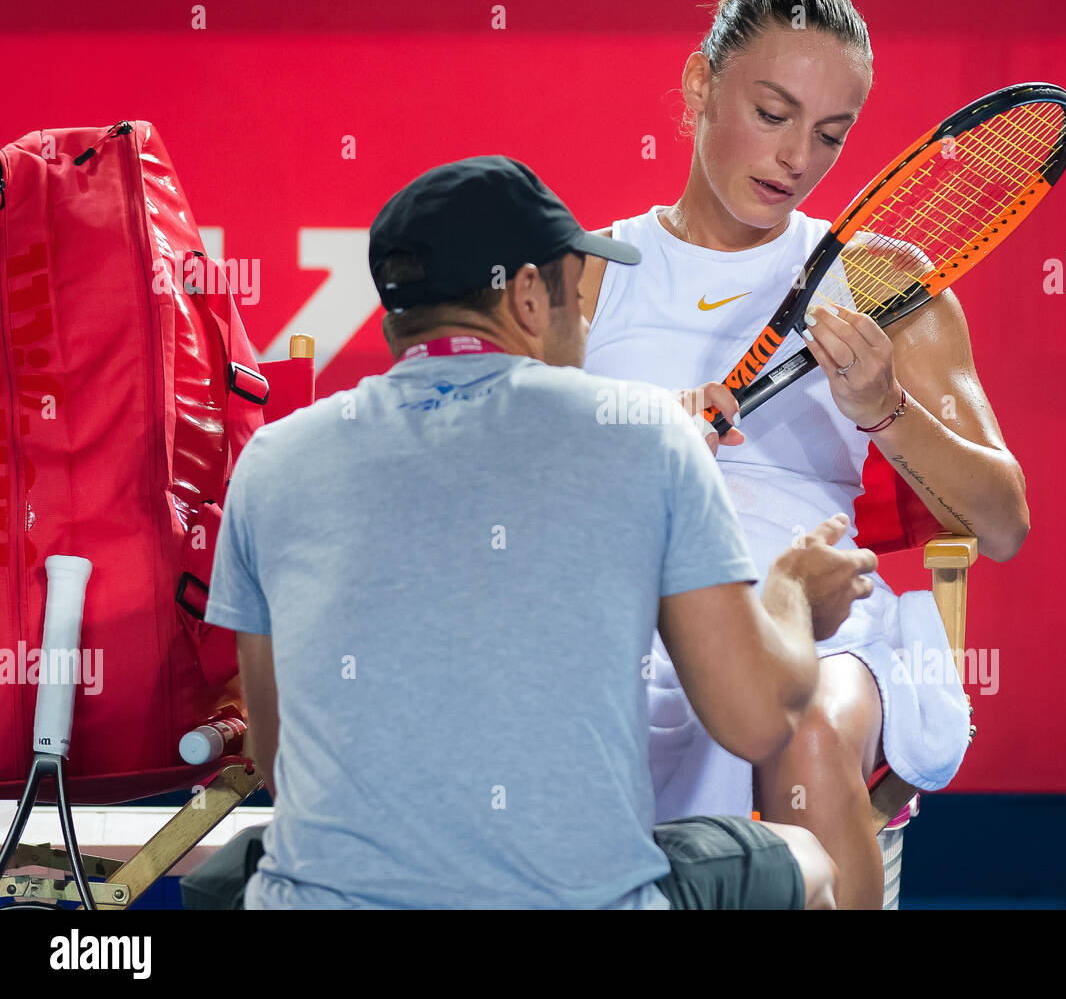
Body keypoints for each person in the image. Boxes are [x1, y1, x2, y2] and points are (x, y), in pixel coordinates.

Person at [195, 154, 880, 910]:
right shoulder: (649, 438)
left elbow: (277, 752)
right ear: (526, 295)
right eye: (573, 294)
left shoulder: (272, 462)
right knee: (809, 861)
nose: (583, 320)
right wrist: (791, 596)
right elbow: (754, 723)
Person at [580, 0, 1030, 908]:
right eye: (773, 114)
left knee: (809, 732)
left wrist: (885, 411)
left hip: (815, 619)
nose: (796, 159)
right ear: (703, 82)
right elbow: (519, 478)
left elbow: (1002, 523)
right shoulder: (590, 275)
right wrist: (649, 439)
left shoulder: (883, 279)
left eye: (830, 134)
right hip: (619, 620)